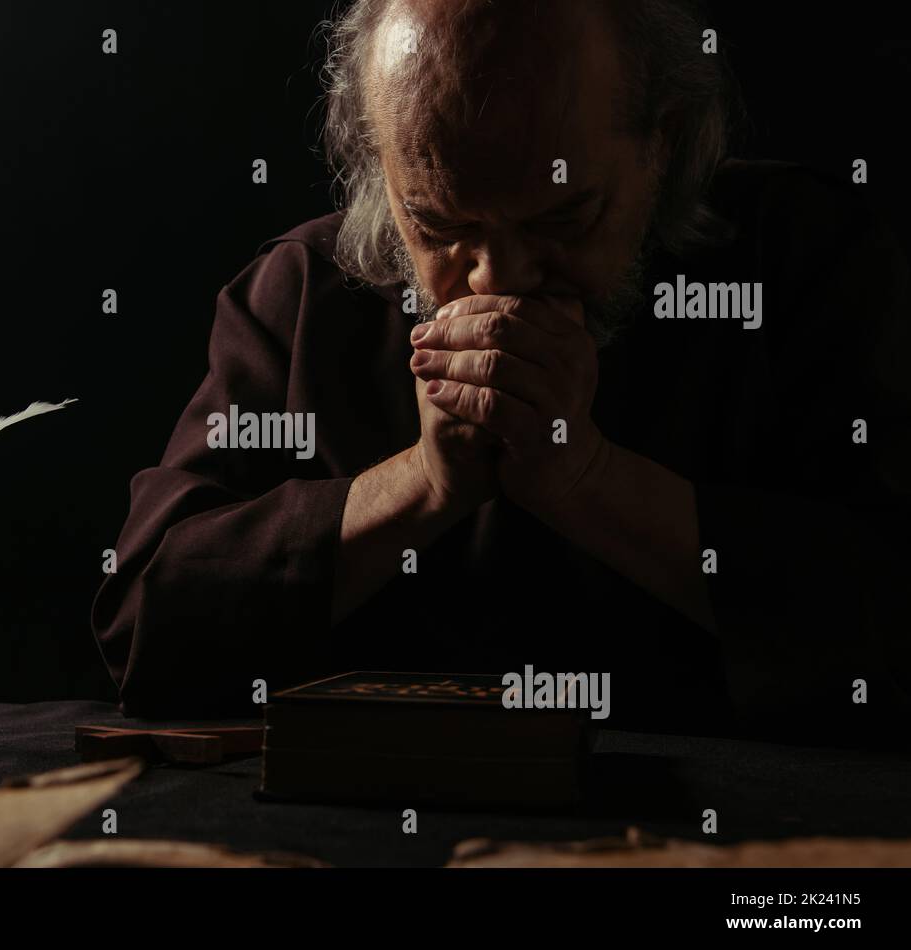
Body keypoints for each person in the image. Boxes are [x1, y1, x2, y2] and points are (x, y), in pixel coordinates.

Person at [93, 0, 911, 745]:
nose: (499, 280)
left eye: (563, 216)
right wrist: (421, 483)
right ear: (382, 171)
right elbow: (144, 627)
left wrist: (589, 479)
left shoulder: (801, 260)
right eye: (441, 223)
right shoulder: (305, 293)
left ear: (663, 142)